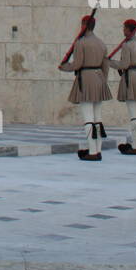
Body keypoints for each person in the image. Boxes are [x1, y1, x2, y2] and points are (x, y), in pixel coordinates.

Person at [59, 13, 111, 161]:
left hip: (86, 78)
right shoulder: (101, 43)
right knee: (98, 118)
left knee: (88, 118)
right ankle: (97, 149)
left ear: (84, 26)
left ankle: (93, 152)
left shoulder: (81, 43)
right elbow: (105, 65)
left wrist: (64, 67)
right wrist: (102, 80)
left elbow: (77, 64)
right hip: (99, 78)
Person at [109, 18, 136, 156]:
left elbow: (124, 65)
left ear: (129, 29)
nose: (123, 30)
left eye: (124, 28)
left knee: (134, 115)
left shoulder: (127, 45)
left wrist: (109, 62)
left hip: (132, 78)